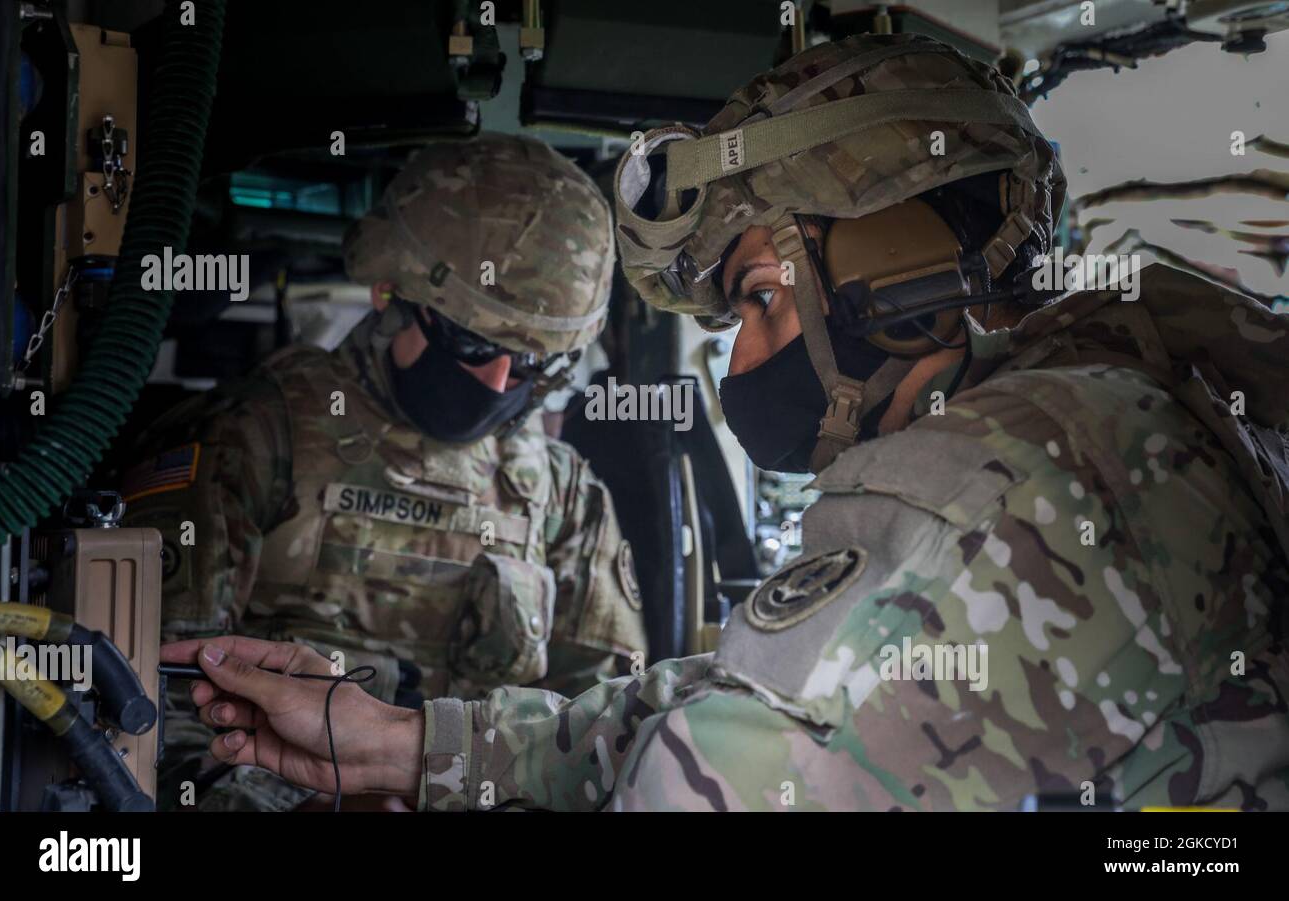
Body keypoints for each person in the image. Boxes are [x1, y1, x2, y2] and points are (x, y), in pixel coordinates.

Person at [163, 34, 1289, 811]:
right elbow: (714, 711)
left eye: (754, 298)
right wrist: (410, 747)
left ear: (885, 263)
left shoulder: (1015, 477)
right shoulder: (1117, 423)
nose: (742, 359)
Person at [126, 133, 647, 811]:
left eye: (530, 363)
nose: (495, 381)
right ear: (392, 292)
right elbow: (148, 716)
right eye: (473, 342)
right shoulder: (251, 434)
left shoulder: (565, 495)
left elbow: (607, 741)